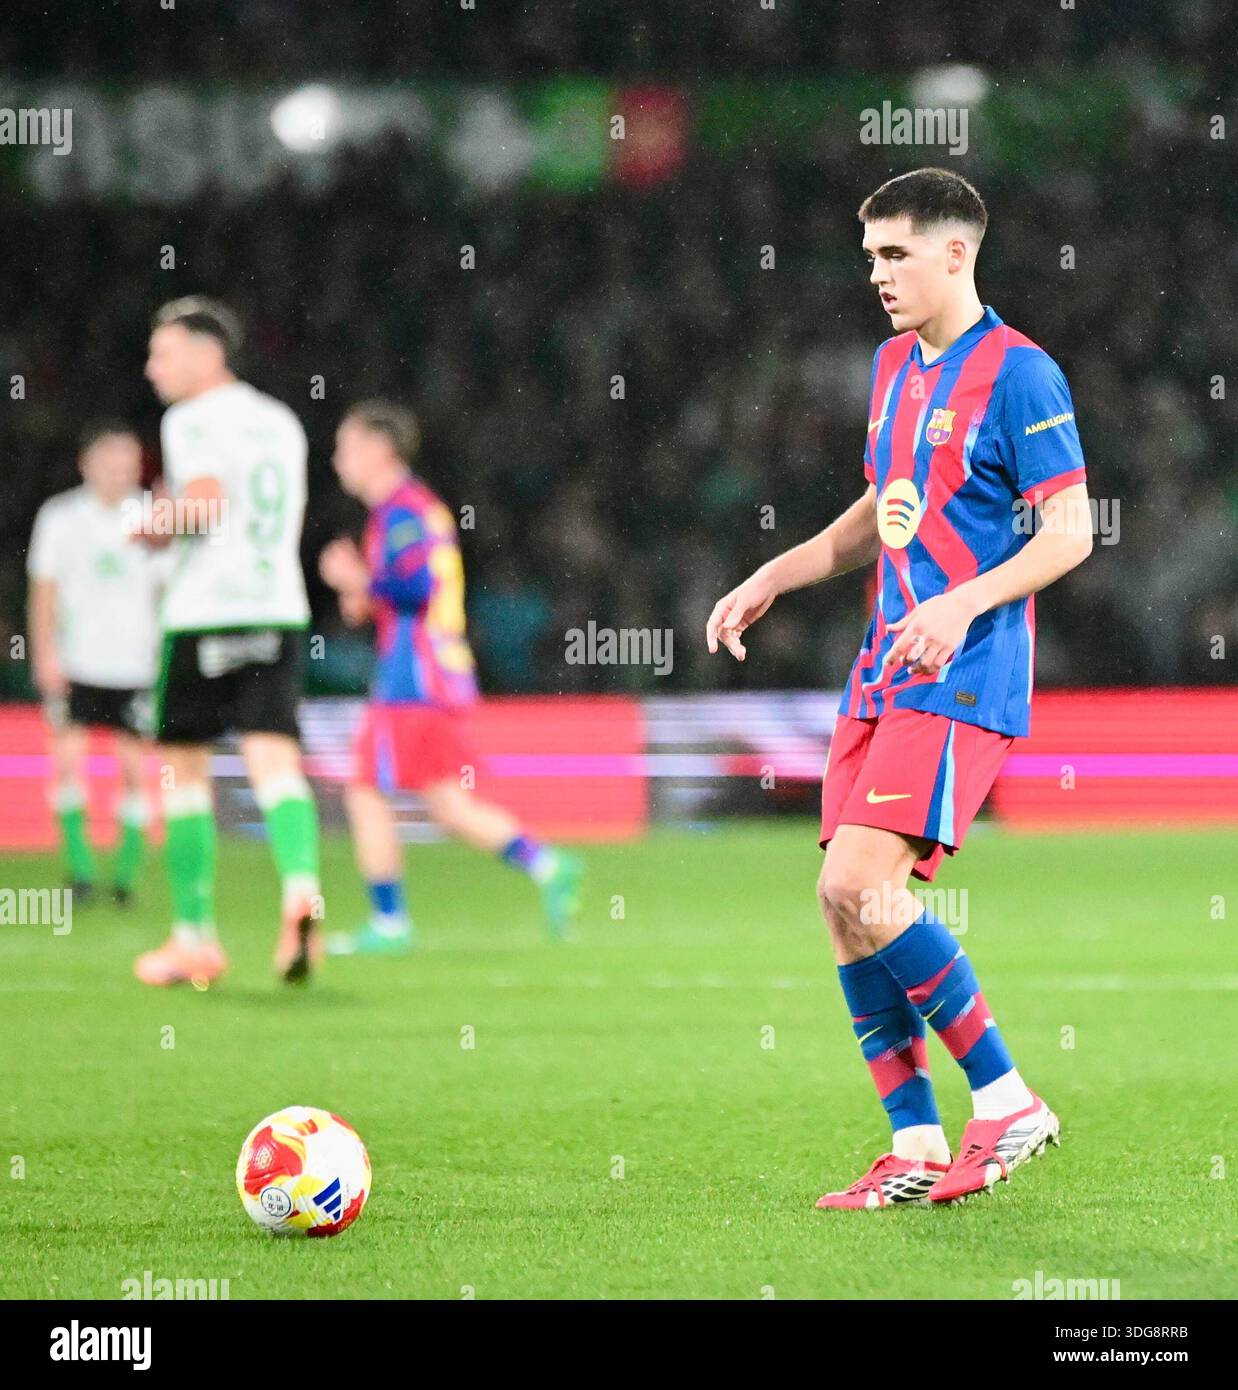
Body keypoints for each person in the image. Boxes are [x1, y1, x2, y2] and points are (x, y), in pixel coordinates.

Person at [706, 168, 1093, 1208]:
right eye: (869, 252)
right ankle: (914, 1146)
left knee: (857, 887)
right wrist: (773, 573)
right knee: (842, 909)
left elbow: (1069, 529)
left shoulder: (1019, 374)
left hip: (960, 674)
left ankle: (1007, 1099)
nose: (873, 272)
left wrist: (965, 603)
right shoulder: (891, 366)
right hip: (880, 669)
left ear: (955, 252)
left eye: (894, 252)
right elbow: (885, 501)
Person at [319, 400, 582, 956]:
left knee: (366, 791)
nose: (338, 459)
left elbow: (415, 589)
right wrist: (366, 596)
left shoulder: (401, 511)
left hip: (411, 678)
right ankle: (550, 865)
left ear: (378, 449)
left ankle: (390, 923)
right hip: (432, 674)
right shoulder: (413, 510)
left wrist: (359, 580)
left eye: (346, 446)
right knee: (445, 803)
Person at [132, 296, 323, 987]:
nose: (153, 369)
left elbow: (206, 503)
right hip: (276, 603)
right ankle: (302, 887)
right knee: (274, 758)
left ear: (208, 353)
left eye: (164, 353)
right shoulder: (280, 420)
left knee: (183, 771)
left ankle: (194, 939)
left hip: (205, 608)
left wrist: (148, 519)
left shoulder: (190, 419)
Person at [26, 422, 162, 904]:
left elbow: (167, 591)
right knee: (67, 762)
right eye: (110, 460)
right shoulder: (61, 518)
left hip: (137, 664)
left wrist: (168, 656)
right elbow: (45, 590)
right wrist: (44, 650)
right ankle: (81, 870)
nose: (118, 470)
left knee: (134, 769)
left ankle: (125, 876)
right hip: (77, 662)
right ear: (87, 464)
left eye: (128, 462)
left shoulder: (153, 519)